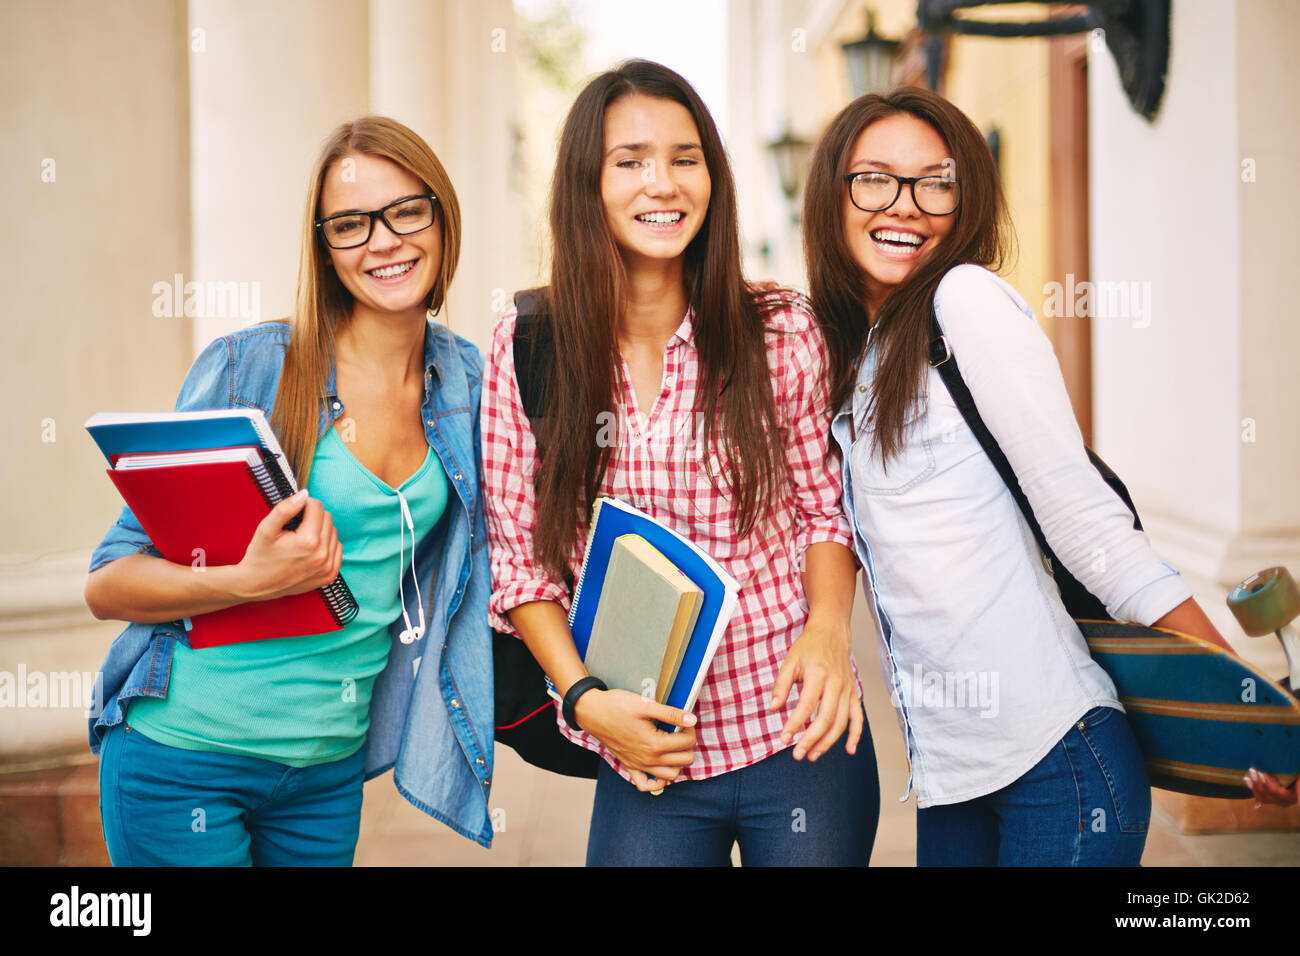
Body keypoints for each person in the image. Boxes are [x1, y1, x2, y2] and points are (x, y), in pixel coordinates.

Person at [802, 86, 1294, 865]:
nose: (906, 205)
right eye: (875, 178)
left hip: (1058, 764)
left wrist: (1250, 710)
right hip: (951, 778)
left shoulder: (965, 303)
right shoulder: (848, 355)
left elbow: (1088, 522)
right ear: (833, 193)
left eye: (936, 181)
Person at [482, 59, 879, 867]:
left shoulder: (780, 331)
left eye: (684, 157)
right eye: (629, 161)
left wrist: (832, 634)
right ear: (586, 185)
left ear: (713, 177)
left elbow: (821, 511)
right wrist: (587, 702)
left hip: (798, 725)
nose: (661, 184)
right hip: (647, 746)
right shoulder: (528, 345)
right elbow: (520, 565)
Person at [83, 116, 494, 865]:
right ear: (324, 246)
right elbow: (109, 584)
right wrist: (247, 579)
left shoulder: (468, 383)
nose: (384, 241)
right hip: (183, 759)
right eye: (350, 224)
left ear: (442, 216)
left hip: (325, 775)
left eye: (407, 210)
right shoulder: (253, 369)